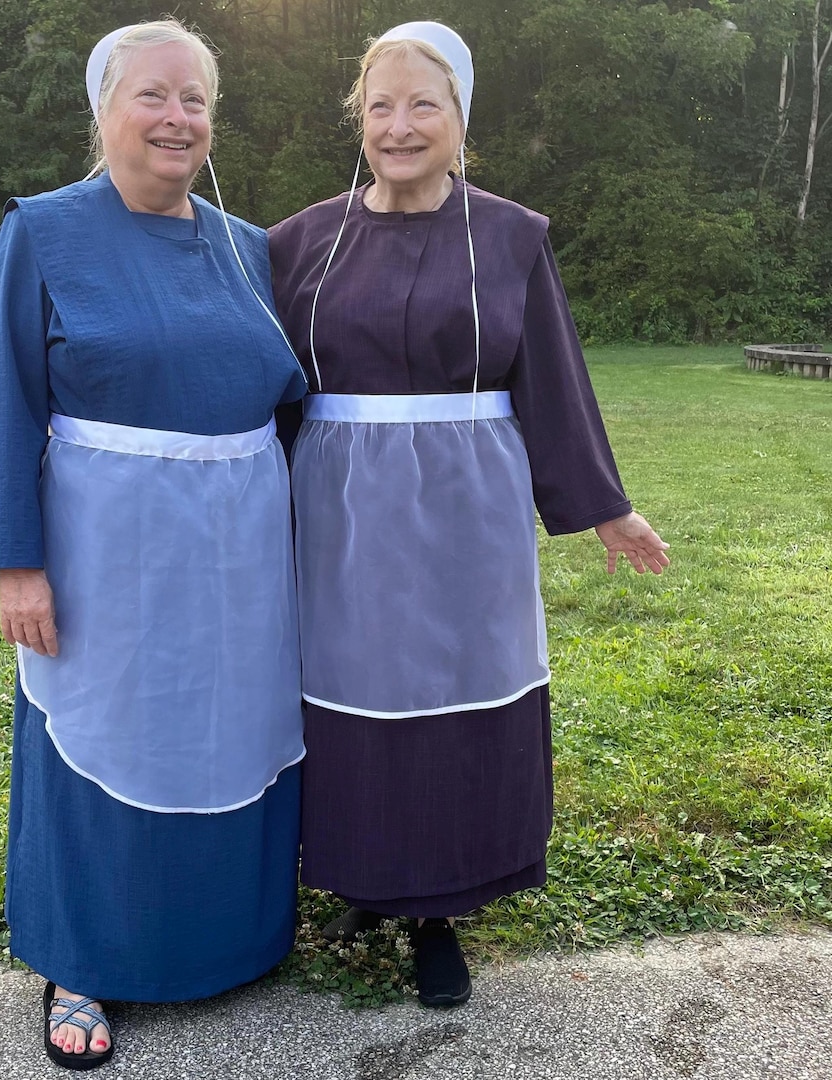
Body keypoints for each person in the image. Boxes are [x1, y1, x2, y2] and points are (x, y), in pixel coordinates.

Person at [268, 21, 669, 1009]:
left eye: (423, 106)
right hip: (339, 507)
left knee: (451, 684)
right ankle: (362, 877)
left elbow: (553, 380)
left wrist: (604, 507)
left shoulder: (510, 238)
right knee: (349, 685)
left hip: (464, 508)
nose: (399, 126)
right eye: (380, 107)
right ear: (358, 120)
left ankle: (437, 911)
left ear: (460, 122)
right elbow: (268, 386)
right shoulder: (299, 242)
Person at [0, 19, 307, 1069]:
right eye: (152, 95)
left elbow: (295, 405)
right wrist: (18, 564)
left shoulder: (251, 249)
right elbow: (6, 405)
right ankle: (85, 961)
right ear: (103, 110)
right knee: (104, 737)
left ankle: (228, 941)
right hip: (103, 552)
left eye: (195, 99)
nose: (176, 117)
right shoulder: (45, 231)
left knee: (227, 728)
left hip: (239, 553)